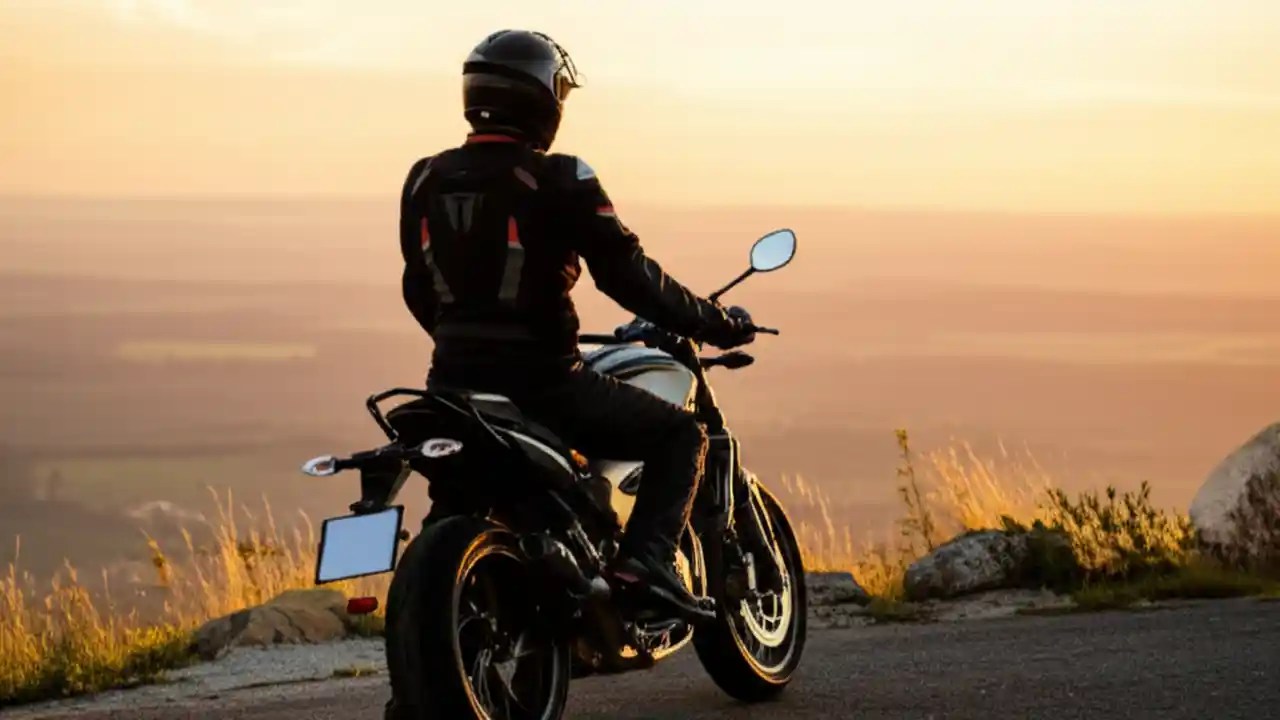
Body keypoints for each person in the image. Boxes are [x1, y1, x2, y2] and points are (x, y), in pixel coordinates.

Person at [397, 29, 757, 621]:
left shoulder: (422, 178)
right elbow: (631, 277)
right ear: (544, 99)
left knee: (457, 501)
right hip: (546, 385)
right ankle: (647, 564)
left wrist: (465, 342)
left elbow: (419, 286)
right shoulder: (563, 177)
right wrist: (714, 323)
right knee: (681, 438)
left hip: (451, 389)